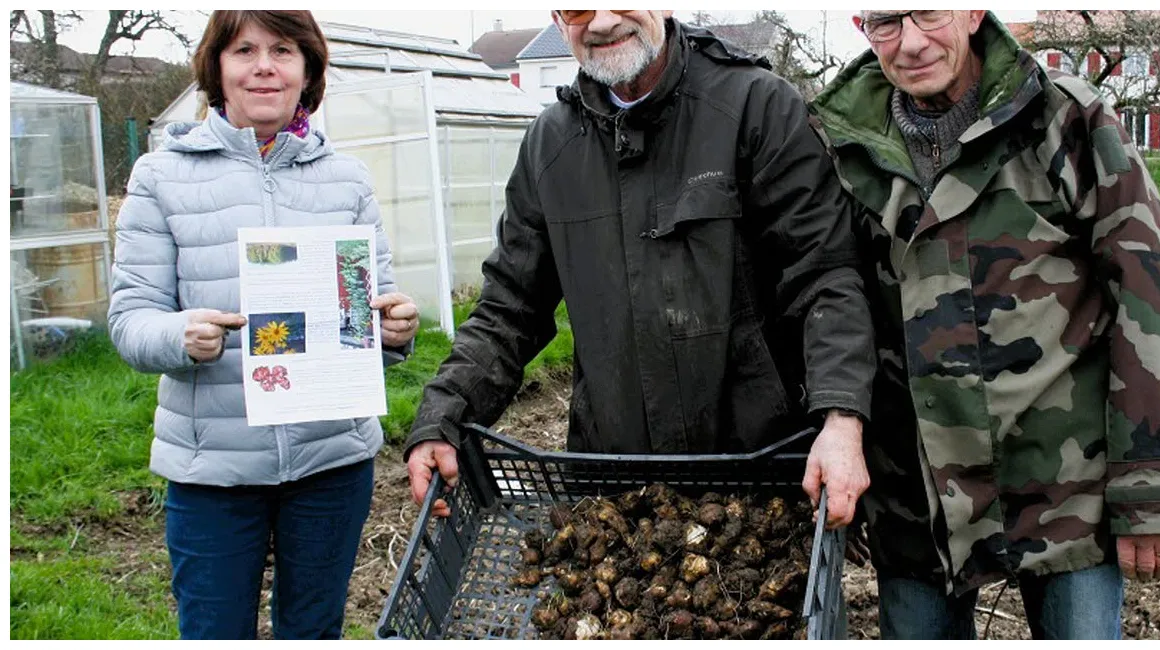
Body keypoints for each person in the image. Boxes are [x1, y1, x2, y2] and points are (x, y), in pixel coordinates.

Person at [810, 9, 1160, 639]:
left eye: (928, 14)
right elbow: (828, 298)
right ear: (859, 23)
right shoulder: (840, 142)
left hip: (1066, 490)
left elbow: (1147, 296)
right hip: (915, 501)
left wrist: (1153, 487)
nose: (909, 43)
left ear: (972, 11)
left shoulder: (1065, 119)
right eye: (885, 22)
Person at [405, 10, 875, 528]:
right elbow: (509, 308)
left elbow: (824, 277)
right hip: (614, 494)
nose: (603, 21)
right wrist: (441, 416)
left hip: (757, 484)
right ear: (559, 21)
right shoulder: (551, 145)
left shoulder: (755, 106)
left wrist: (841, 418)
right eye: (578, 8)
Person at [108, 10, 420, 640]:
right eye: (243, 50)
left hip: (331, 462)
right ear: (216, 68)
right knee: (214, 631)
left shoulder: (347, 179)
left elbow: (373, 311)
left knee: (313, 629)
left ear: (308, 70)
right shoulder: (162, 177)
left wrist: (395, 333)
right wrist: (179, 337)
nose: (263, 66)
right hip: (213, 468)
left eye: (282, 49)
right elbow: (129, 319)